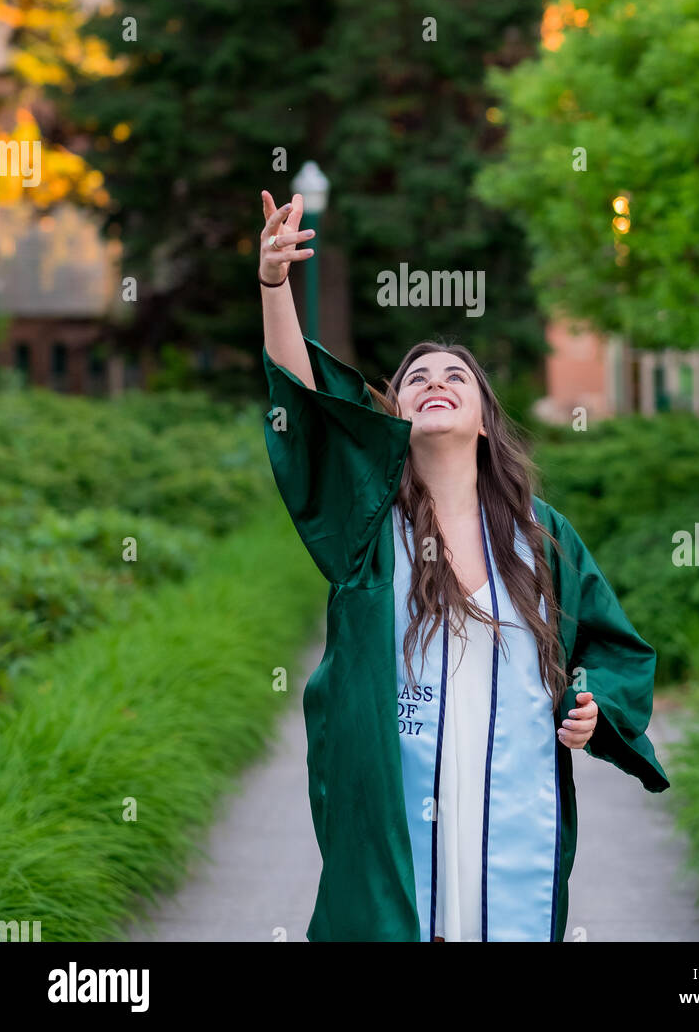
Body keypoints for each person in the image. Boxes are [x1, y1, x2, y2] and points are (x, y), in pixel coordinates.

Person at [258, 188, 670, 944]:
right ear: (396, 417)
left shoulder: (542, 539)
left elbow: (611, 653)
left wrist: (589, 707)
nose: (436, 382)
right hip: (394, 790)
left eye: (456, 376)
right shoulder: (367, 526)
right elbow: (303, 408)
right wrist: (275, 287)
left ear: (484, 421)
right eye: (416, 378)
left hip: (508, 794)